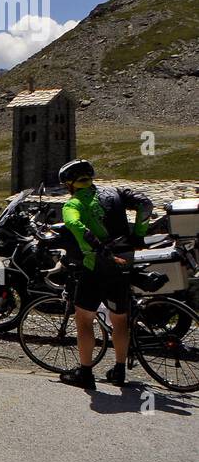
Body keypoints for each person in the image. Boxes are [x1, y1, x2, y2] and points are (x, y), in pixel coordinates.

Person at [56, 159, 153, 388]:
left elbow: (76, 226)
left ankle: (86, 373)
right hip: (124, 261)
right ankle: (119, 371)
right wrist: (138, 234)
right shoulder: (115, 192)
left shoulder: (73, 205)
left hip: (97, 265)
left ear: (70, 184)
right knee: (120, 319)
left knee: (84, 319)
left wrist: (98, 247)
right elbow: (145, 204)